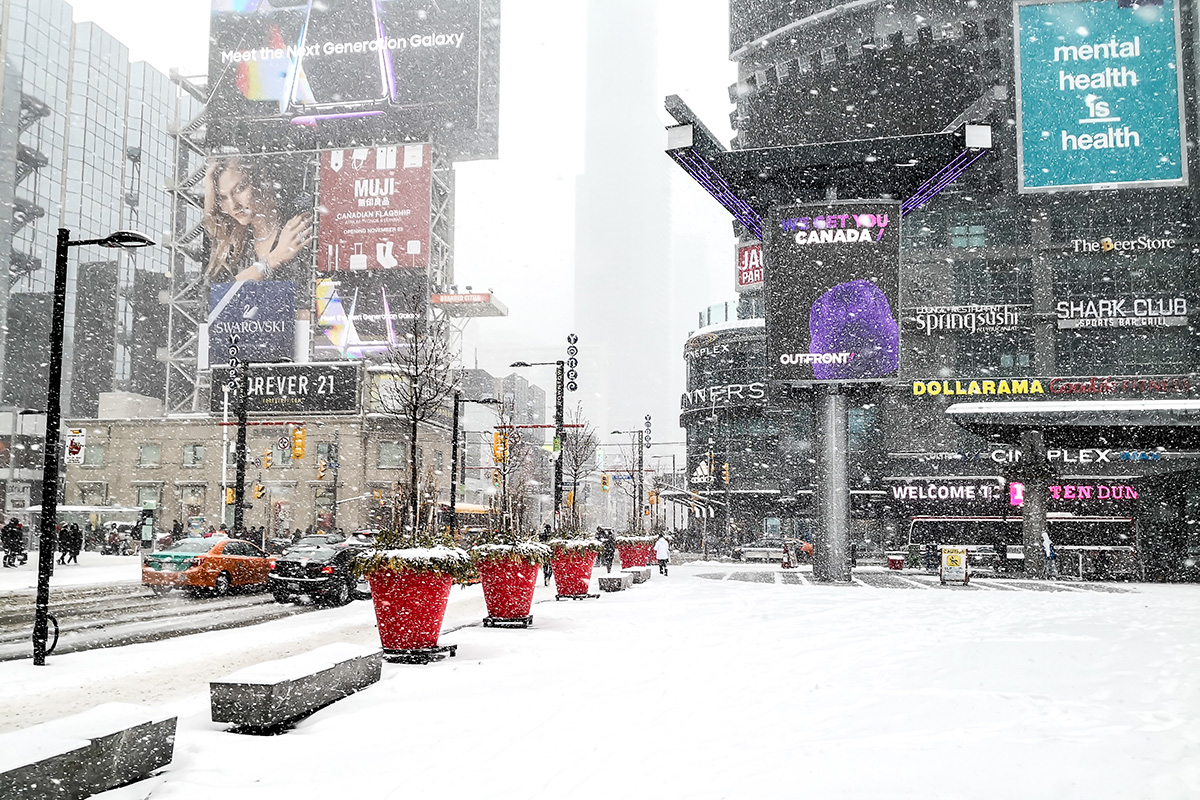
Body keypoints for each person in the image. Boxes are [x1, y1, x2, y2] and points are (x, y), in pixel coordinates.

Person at [203, 156, 312, 282]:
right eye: (223, 198)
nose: (233, 205)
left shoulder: (297, 226)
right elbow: (216, 295)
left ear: (260, 181)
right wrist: (273, 259)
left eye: (239, 189)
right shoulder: (233, 245)